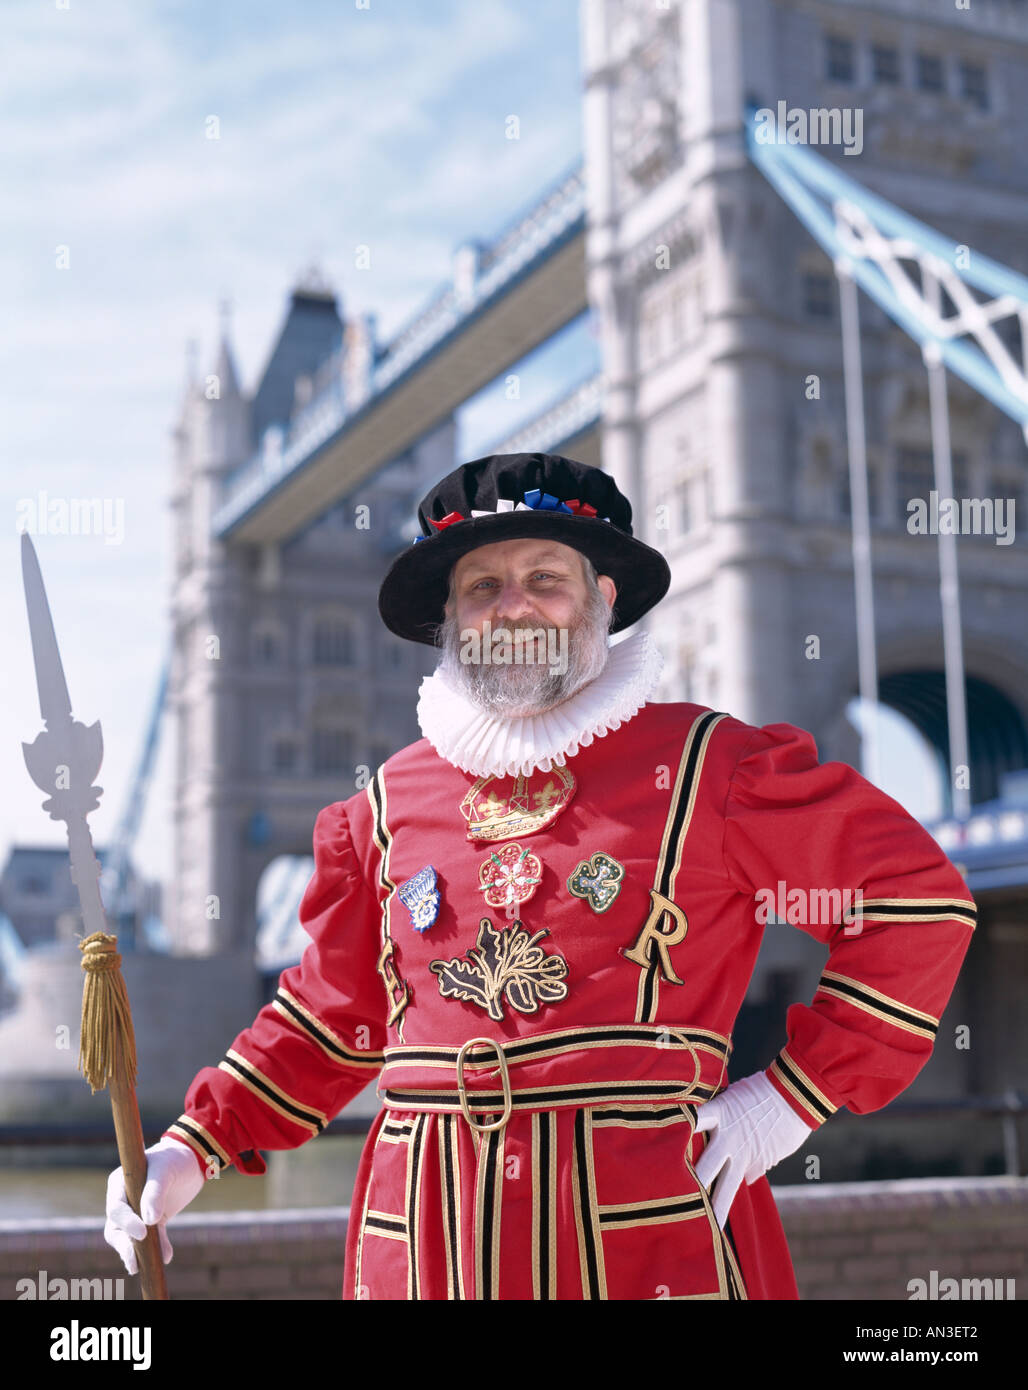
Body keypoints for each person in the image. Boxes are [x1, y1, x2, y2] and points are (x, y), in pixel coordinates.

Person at [105, 452, 976, 1300]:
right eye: (483, 587)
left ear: (602, 600)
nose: (513, 606)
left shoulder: (714, 765)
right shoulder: (382, 807)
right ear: (451, 617)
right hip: (425, 1236)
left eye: (544, 579)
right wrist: (193, 1146)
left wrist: (789, 1099)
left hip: (646, 1227)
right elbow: (334, 1019)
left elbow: (913, 901)